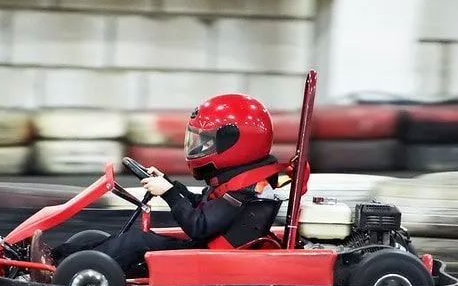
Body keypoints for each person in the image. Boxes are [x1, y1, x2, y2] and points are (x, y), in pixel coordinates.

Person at [31, 93, 310, 275]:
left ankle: (61, 268)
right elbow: (204, 208)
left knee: (138, 241)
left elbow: (199, 225)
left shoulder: (248, 190)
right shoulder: (237, 182)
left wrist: (170, 194)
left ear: (235, 142)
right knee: (113, 238)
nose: (199, 148)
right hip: (207, 247)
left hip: (214, 260)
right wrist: (168, 184)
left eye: (206, 142)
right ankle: (58, 257)